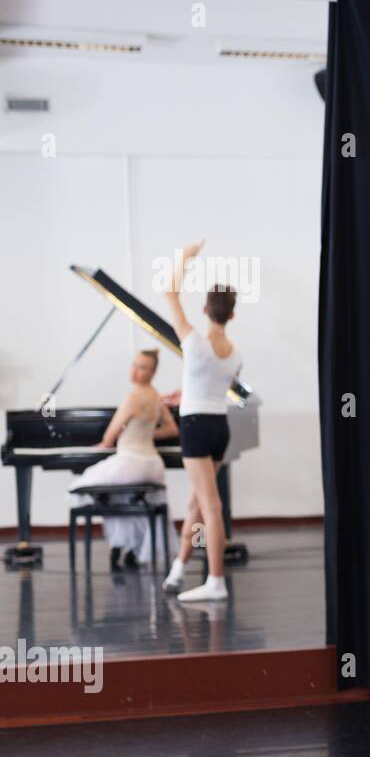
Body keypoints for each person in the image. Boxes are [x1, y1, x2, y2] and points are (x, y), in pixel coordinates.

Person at [159, 240, 242, 603]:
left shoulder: (193, 343)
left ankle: (216, 581)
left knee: (210, 506)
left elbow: (169, 291)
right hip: (219, 429)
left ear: (206, 309)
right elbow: (213, 385)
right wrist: (184, 393)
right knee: (197, 503)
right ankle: (179, 567)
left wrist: (184, 258)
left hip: (194, 427)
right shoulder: (237, 355)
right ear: (232, 315)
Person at [69, 348, 178, 568]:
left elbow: (108, 438)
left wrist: (103, 445)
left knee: (82, 487)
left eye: (142, 367)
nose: (135, 371)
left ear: (152, 372)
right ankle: (129, 547)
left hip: (132, 462)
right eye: (134, 364)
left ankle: (119, 545)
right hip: (153, 466)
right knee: (121, 496)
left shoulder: (132, 397)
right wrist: (145, 433)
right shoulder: (156, 396)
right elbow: (172, 430)